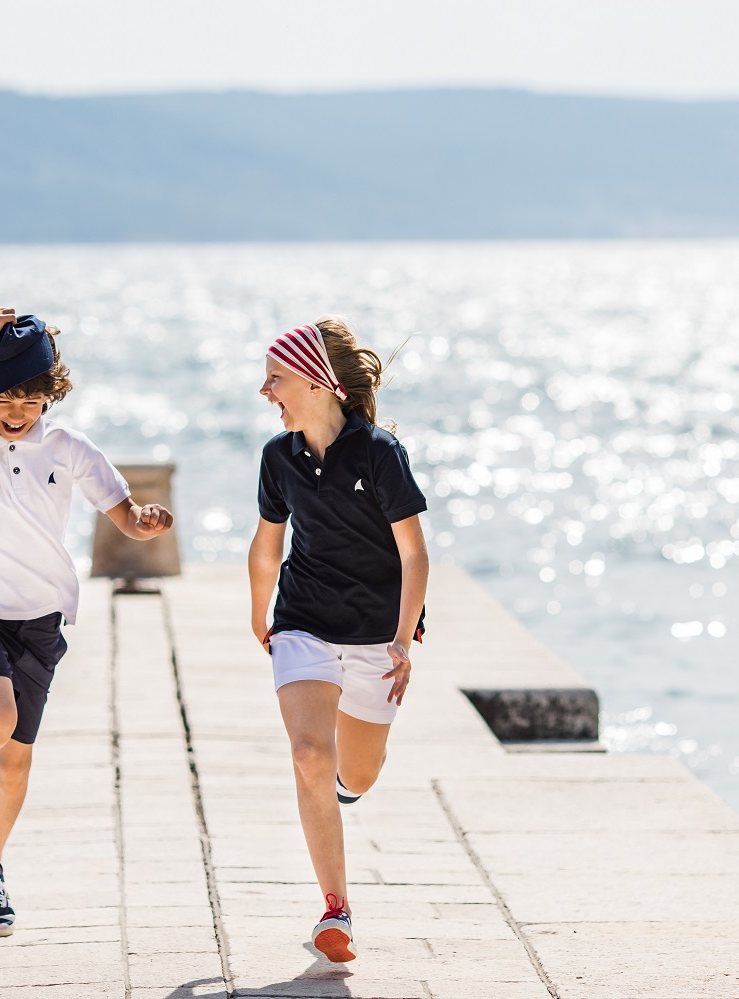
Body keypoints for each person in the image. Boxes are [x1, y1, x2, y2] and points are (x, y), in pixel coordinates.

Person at [0, 307, 173, 936]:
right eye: (1, 396)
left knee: (14, 764)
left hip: (41, 626)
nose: (14, 410)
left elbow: (122, 512)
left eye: (28, 396)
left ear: (51, 393)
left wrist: (144, 521)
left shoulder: (69, 449)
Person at [246, 318, 429, 964]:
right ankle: (336, 908)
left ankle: (348, 784)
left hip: (378, 635)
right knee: (308, 756)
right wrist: (259, 608)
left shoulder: (379, 453)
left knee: (358, 771)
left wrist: (404, 639)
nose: (267, 391)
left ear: (318, 382)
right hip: (303, 622)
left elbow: (413, 553)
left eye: (276, 378)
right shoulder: (278, 458)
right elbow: (268, 543)